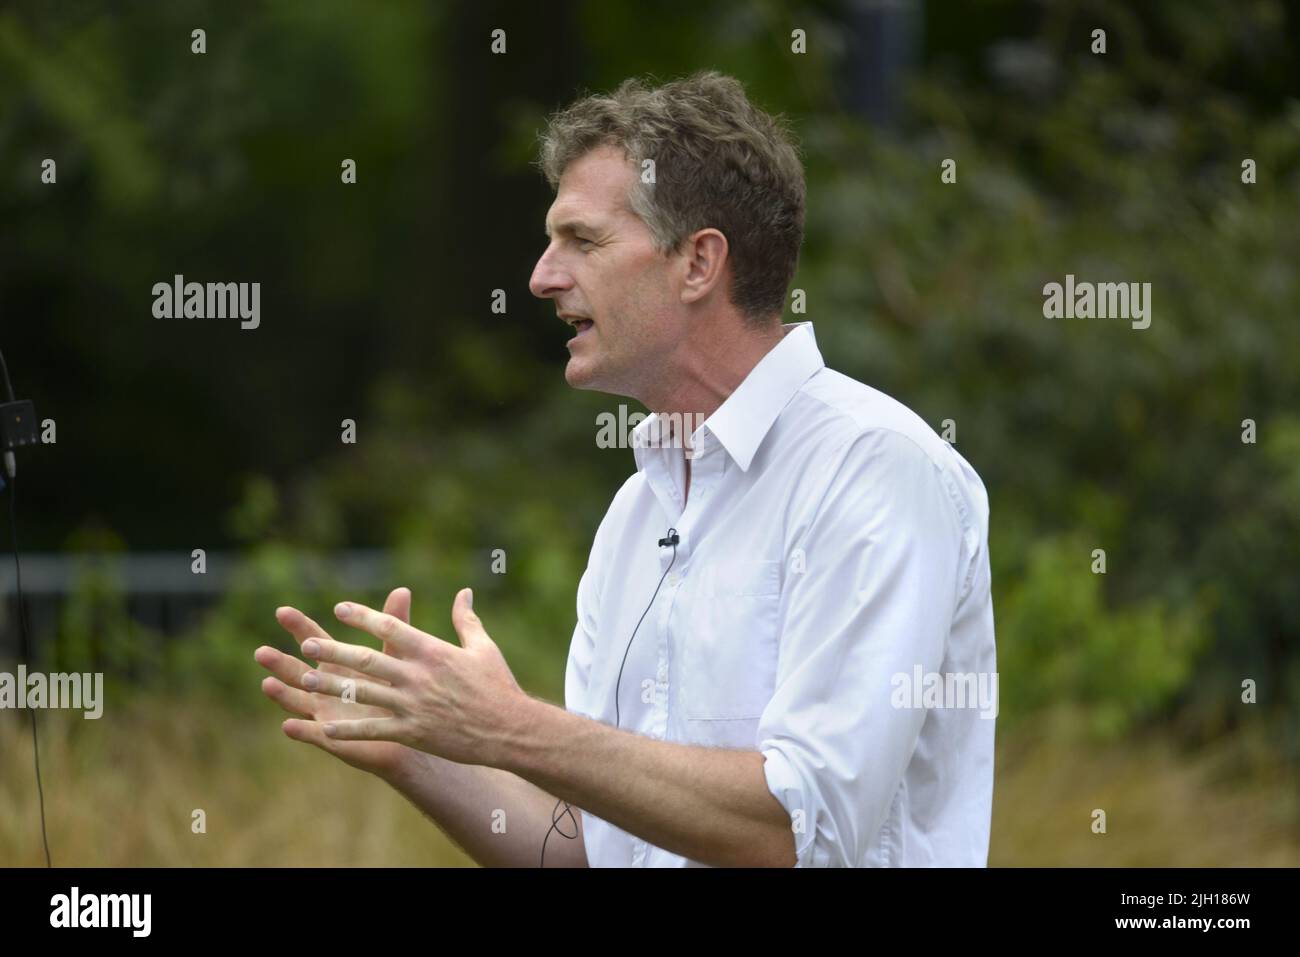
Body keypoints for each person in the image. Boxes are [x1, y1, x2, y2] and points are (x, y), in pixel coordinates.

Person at [254, 71, 996, 867]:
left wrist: (510, 726)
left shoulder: (873, 466)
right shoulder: (636, 513)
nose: (542, 275)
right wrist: (421, 743)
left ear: (698, 263)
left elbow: (794, 827)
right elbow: (588, 853)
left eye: (583, 239)